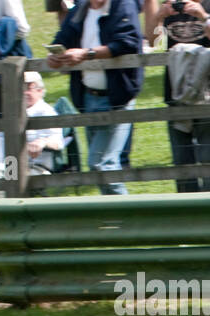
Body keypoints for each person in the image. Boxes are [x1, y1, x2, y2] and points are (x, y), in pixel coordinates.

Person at [49, 0, 142, 195]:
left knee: (101, 163)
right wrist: (56, 56)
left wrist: (87, 54)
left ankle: (126, 217)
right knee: (102, 166)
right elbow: (62, 38)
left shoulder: (122, 6)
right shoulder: (80, 9)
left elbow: (129, 42)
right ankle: (114, 218)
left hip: (117, 97)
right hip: (88, 96)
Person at [144, 0, 210, 192]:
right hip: (176, 95)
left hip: (209, 95)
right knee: (182, 163)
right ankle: (188, 210)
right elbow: (151, 41)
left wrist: (203, 16)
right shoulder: (170, 7)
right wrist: (159, 17)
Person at [0, 70, 62, 185]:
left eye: (28, 88)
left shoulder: (45, 112)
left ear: (40, 91)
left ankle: (1, 201)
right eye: (19, 88)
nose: (23, 92)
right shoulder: (12, 113)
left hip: (30, 168)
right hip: (2, 166)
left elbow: (58, 141)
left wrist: (42, 142)